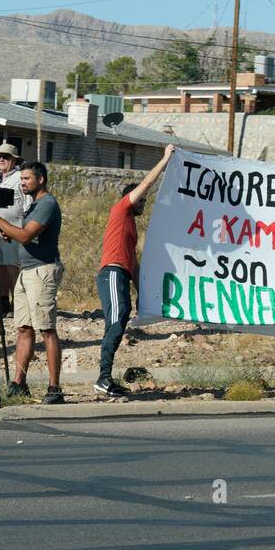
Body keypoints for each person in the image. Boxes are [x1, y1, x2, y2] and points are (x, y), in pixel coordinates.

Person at [94, 145, 176, 396]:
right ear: (133, 198)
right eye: (142, 200)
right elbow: (147, 183)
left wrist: (143, 293)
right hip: (112, 273)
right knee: (117, 323)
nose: (144, 203)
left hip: (122, 275)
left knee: (117, 322)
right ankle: (103, 378)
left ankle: (105, 377)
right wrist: (165, 160)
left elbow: (134, 262)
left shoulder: (129, 226)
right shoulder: (121, 210)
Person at [0, 162, 65, 405]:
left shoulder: (47, 203)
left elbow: (26, 235)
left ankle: (54, 388)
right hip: (27, 270)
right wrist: (7, 230)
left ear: (41, 179)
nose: (23, 182)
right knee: (24, 328)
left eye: (27, 178)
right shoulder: (34, 204)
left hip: (42, 271)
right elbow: (24, 234)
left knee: (47, 329)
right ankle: (19, 383)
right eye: (22, 178)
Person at [0, 142, 29, 314]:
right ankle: (3, 301)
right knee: (0, 266)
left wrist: (26, 230)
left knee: (13, 266)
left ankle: (18, 303)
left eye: (6, 157)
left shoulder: (20, 178)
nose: (2, 159)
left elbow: (28, 205)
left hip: (14, 230)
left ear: (14, 160)